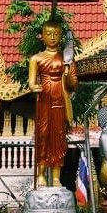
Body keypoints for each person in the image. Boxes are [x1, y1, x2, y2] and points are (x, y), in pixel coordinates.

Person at [27, 18, 77, 188]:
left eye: (56, 34)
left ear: (61, 36)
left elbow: (73, 84)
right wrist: (35, 87)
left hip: (60, 98)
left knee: (58, 138)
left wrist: (69, 71)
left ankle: (56, 177)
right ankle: (40, 174)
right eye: (48, 34)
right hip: (44, 100)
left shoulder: (66, 58)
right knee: (43, 136)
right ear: (42, 36)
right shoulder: (36, 59)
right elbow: (31, 82)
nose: (52, 37)